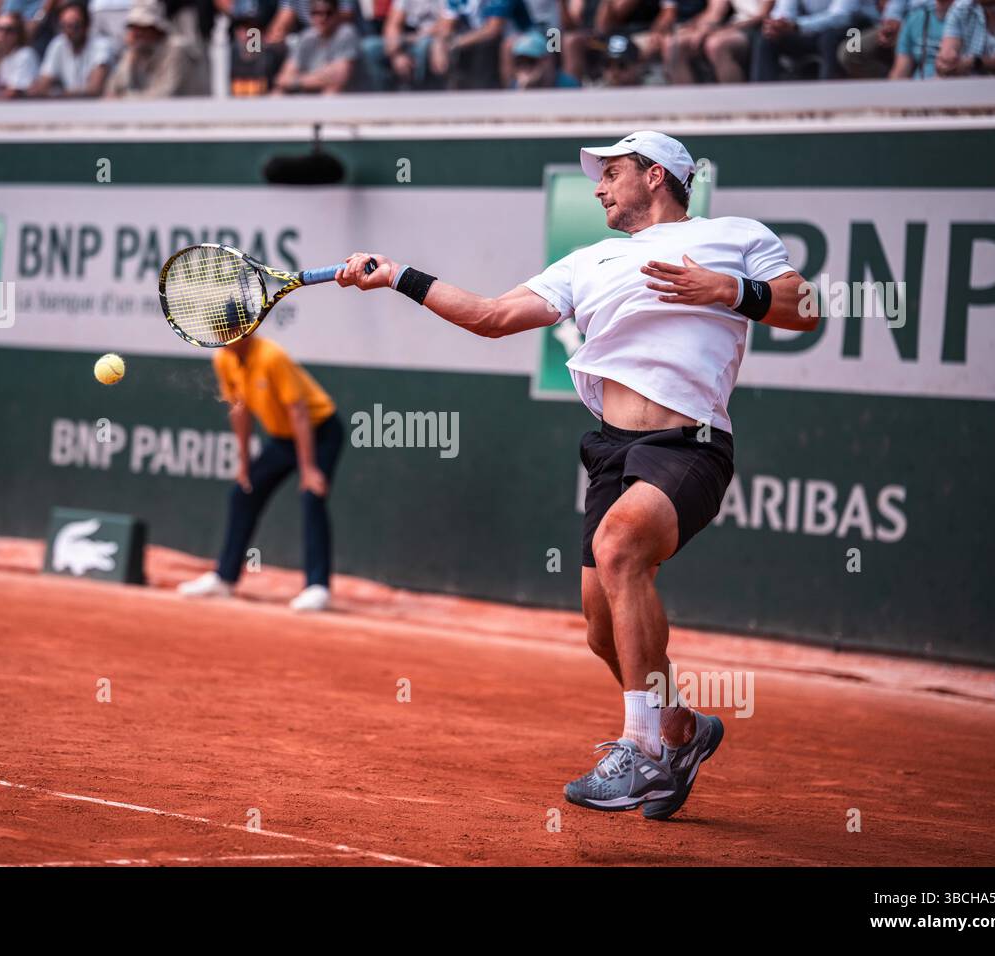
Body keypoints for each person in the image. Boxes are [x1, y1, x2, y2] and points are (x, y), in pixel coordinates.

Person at [336, 131, 818, 818]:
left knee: (620, 548)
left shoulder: (736, 235)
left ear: (656, 176)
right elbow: (492, 317)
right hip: (610, 450)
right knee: (600, 628)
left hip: (690, 443)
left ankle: (644, 751)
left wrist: (729, 289)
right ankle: (680, 729)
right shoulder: (588, 261)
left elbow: (804, 309)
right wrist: (398, 275)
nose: (598, 186)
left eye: (612, 173)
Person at [176, 335, 345, 613]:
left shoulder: (271, 356)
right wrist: (244, 464)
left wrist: (309, 468)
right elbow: (239, 410)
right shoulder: (223, 358)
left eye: (230, 331)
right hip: (282, 439)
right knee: (243, 493)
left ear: (247, 330)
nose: (224, 339)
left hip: (320, 431)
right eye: (221, 333)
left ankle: (318, 587)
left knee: (312, 497)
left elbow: (298, 411)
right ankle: (224, 578)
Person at [751, 0, 877, 81]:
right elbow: (785, 11)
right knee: (768, 37)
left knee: (829, 38)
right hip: (811, 27)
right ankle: (762, 100)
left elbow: (841, 16)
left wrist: (796, 26)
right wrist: (778, 25)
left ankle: (829, 97)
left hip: (856, 28)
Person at [104, 1, 209, 97]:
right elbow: (112, 91)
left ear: (157, 29)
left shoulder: (177, 50)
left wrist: (123, 99)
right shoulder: (135, 51)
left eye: (143, 27)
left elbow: (164, 96)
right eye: (134, 27)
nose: (137, 33)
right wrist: (131, 58)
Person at [273, 0, 361, 92]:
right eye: (316, 13)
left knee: (332, 89)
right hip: (310, 96)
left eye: (328, 13)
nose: (322, 18)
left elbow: (338, 78)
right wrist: (319, 77)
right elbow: (283, 78)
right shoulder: (306, 37)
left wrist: (296, 81)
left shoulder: (346, 34)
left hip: (351, 100)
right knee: (279, 90)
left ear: (337, 14)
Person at [31, 1, 115, 96]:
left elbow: (94, 88)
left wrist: (59, 93)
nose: (69, 31)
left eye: (75, 26)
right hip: (70, 105)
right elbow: (44, 82)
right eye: (64, 26)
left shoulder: (101, 45)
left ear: (87, 25)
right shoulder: (58, 44)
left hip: (100, 106)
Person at [0, 11, 40, 97]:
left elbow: (14, 93)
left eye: (8, 30)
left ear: (18, 34)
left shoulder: (25, 54)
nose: (1, 34)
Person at [888, 0, 950, 75]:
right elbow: (900, 70)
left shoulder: (964, 20)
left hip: (956, 83)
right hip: (919, 84)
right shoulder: (915, 19)